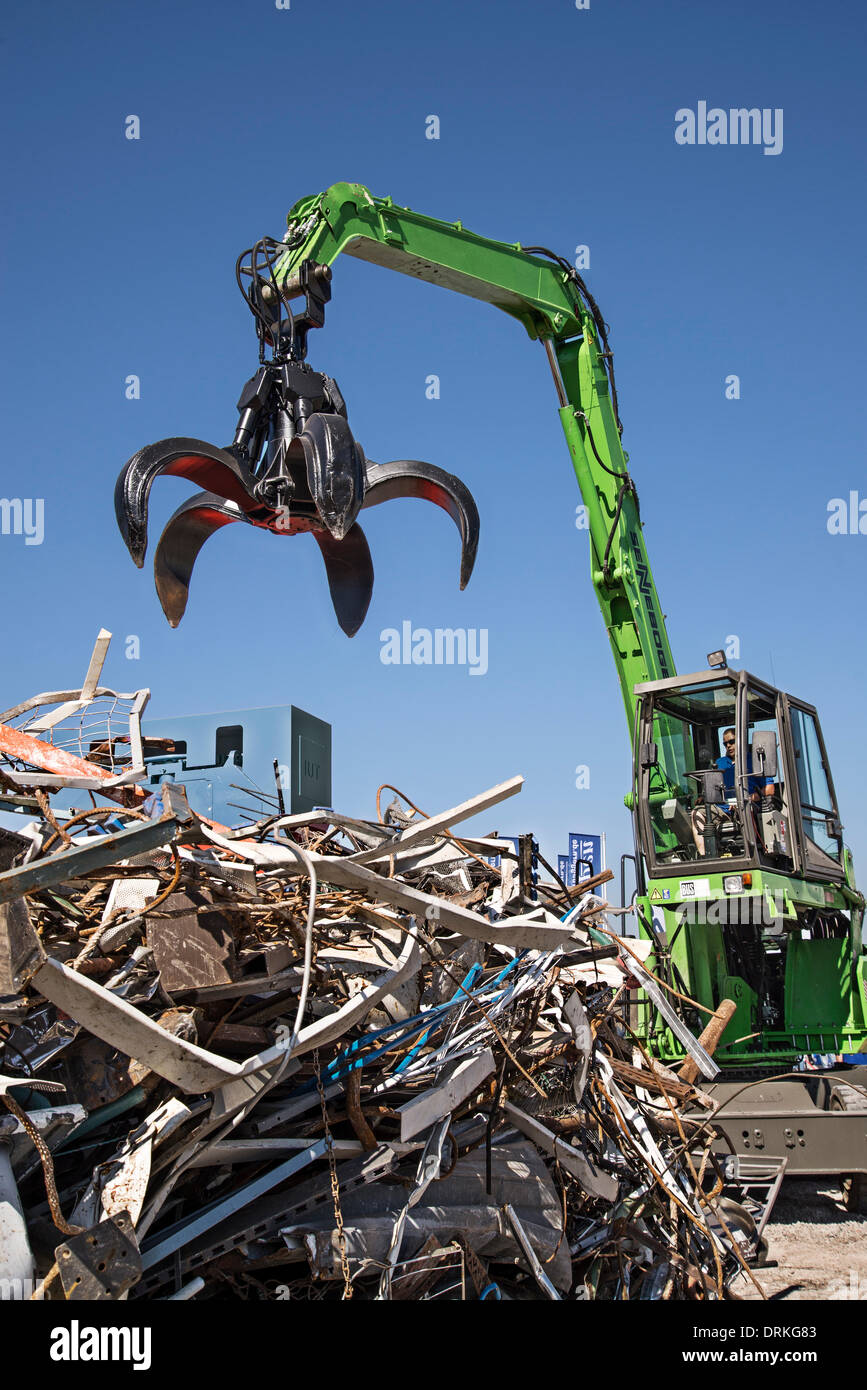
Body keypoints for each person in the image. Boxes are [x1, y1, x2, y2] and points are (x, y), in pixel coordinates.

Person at [691, 728, 775, 856]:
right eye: (725, 744)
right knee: (696, 813)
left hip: (746, 806)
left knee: (746, 809)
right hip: (722, 809)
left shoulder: (755, 760)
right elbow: (712, 788)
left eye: (732, 741)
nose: (728, 746)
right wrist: (704, 797)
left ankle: (751, 854)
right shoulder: (719, 763)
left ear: (741, 740)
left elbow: (769, 789)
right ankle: (705, 856)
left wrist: (750, 798)